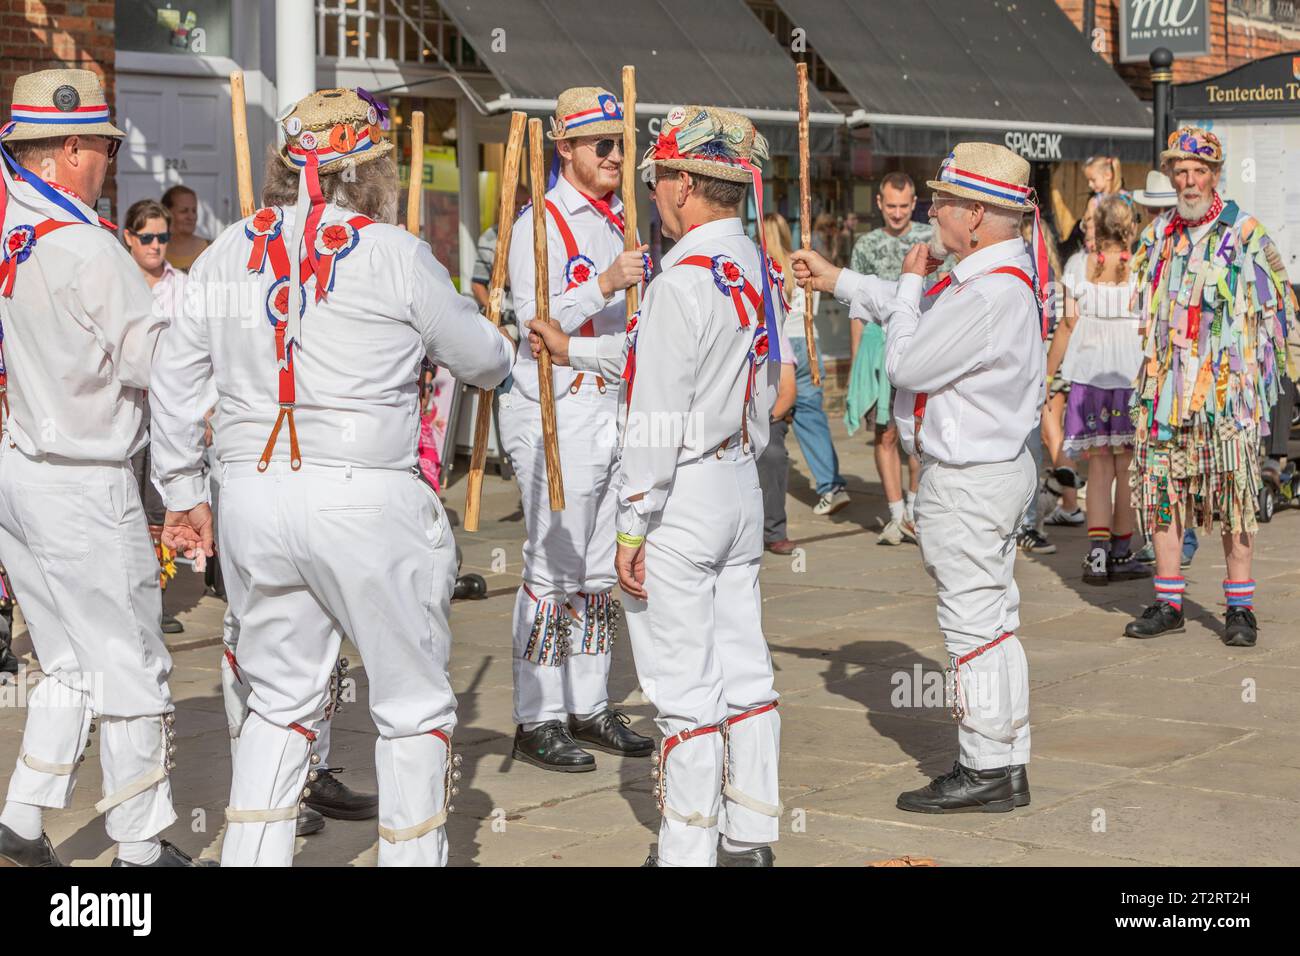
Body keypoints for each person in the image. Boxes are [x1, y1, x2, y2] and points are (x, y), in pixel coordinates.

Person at [151, 87, 514, 866]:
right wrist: (496, 331)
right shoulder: (394, 251)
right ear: (373, 172)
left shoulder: (223, 250)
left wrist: (183, 491)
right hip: (365, 495)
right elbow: (482, 360)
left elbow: (174, 380)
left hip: (252, 495)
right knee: (412, 704)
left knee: (279, 703)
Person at [534, 105, 785, 866]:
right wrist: (575, 350)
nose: (653, 194)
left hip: (680, 494)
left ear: (682, 183)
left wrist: (633, 524)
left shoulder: (680, 280)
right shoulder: (749, 260)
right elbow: (699, 368)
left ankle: (686, 849)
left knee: (682, 689)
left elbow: (655, 410)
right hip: (738, 479)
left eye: (658, 179)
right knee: (745, 668)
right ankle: (751, 834)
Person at [796, 142, 1046, 813]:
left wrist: (907, 280)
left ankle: (988, 764)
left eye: (945, 201)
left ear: (978, 215)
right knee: (992, 620)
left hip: (970, 479)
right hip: (986, 473)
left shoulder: (988, 291)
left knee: (973, 626)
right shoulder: (982, 276)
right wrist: (838, 280)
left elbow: (906, 360)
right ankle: (1003, 759)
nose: (934, 211)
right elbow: (920, 312)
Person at [0, 68, 205, 867]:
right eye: (106, 147)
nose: (111, 162)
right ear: (73, 147)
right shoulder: (88, 247)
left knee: (69, 662)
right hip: (84, 478)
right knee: (133, 666)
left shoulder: (14, 226)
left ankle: (21, 814)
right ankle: (141, 847)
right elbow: (161, 366)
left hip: (23, 469)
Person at [500, 87, 654, 771]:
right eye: (602, 144)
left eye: (620, 142)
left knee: (597, 573)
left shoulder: (621, 216)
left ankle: (587, 704)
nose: (616, 154)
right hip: (556, 410)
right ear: (564, 149)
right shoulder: (542, 222)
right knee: (552, 569)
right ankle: (537, 715)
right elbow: (537, 321)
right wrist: (607, 285)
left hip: (611, 407)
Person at [1123, 127, 1293, 647]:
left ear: (1215, 175)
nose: (1190, 181)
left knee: (1234, 496)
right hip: (1163, 392)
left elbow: (1279, 309)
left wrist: (1260, 376)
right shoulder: (1156, 237)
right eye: (1181, 172)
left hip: (1227, 395)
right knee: (1160, 492)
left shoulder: (1245, 233)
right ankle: (1168, 602)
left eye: (1199, 171)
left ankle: (1239, 607)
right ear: (1172, 177)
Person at [1055, 195, 1150, 585]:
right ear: (1131, 230)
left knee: (1097, 467)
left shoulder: (1079, 266)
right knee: (1126, 468)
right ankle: (1121, 551)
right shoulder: (1141, 270)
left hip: (1090, 380)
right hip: (1128, 381)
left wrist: (1047, 376)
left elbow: (1066, 325)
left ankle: (1095, 556)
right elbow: (1150, 326)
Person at [846, 172, 941, 544]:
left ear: (914, 202)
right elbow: (858, 305)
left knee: (918, 432)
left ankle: (917, 512)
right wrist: (856, 361)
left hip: (920, 344)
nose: (898, 213)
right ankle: (896, 514)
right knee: (884, 434)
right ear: (880, 204)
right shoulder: (865, 245)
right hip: (876, 346)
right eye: (891, 206)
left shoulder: (929, 239)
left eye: (904, 206)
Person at [122, 198, 187, 635]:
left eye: (162, 237)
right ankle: (124, 596)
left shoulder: (181, 286)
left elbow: (194, 350)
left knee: (157, 503)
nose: (156, 246)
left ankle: (155, 597)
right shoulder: (117, 282)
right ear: (129, 237)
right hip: (123, 406)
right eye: (147, 237)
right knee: (124, 498)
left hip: (166, 408)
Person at [764, 212, 849, 519]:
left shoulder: (765, 267)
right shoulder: (798, 263)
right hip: (810, 344)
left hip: (784, 348)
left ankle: (767, 492)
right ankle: (831, 486)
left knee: (770, 421)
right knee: (812, 419)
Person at [160, 184, 208, 271]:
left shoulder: (210, 249)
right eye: (184, 211)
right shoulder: (154, 248)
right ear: (167, 212)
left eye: (194, 211)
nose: (191, 216)